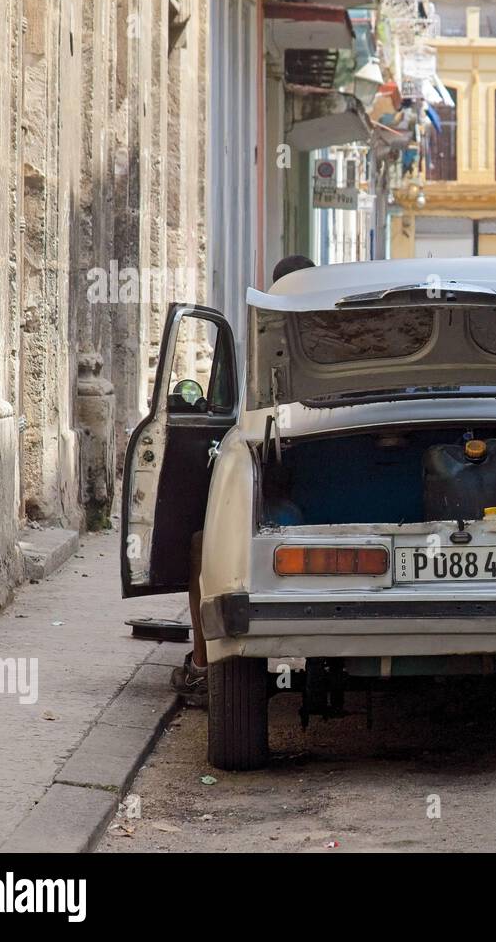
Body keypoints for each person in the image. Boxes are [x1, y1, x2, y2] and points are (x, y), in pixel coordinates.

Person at [171, 254, 316, 706]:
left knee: (201, 547)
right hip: (306, 493)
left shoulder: (271, 343)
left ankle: (202, 667)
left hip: (290, 498)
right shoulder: (334, 332)